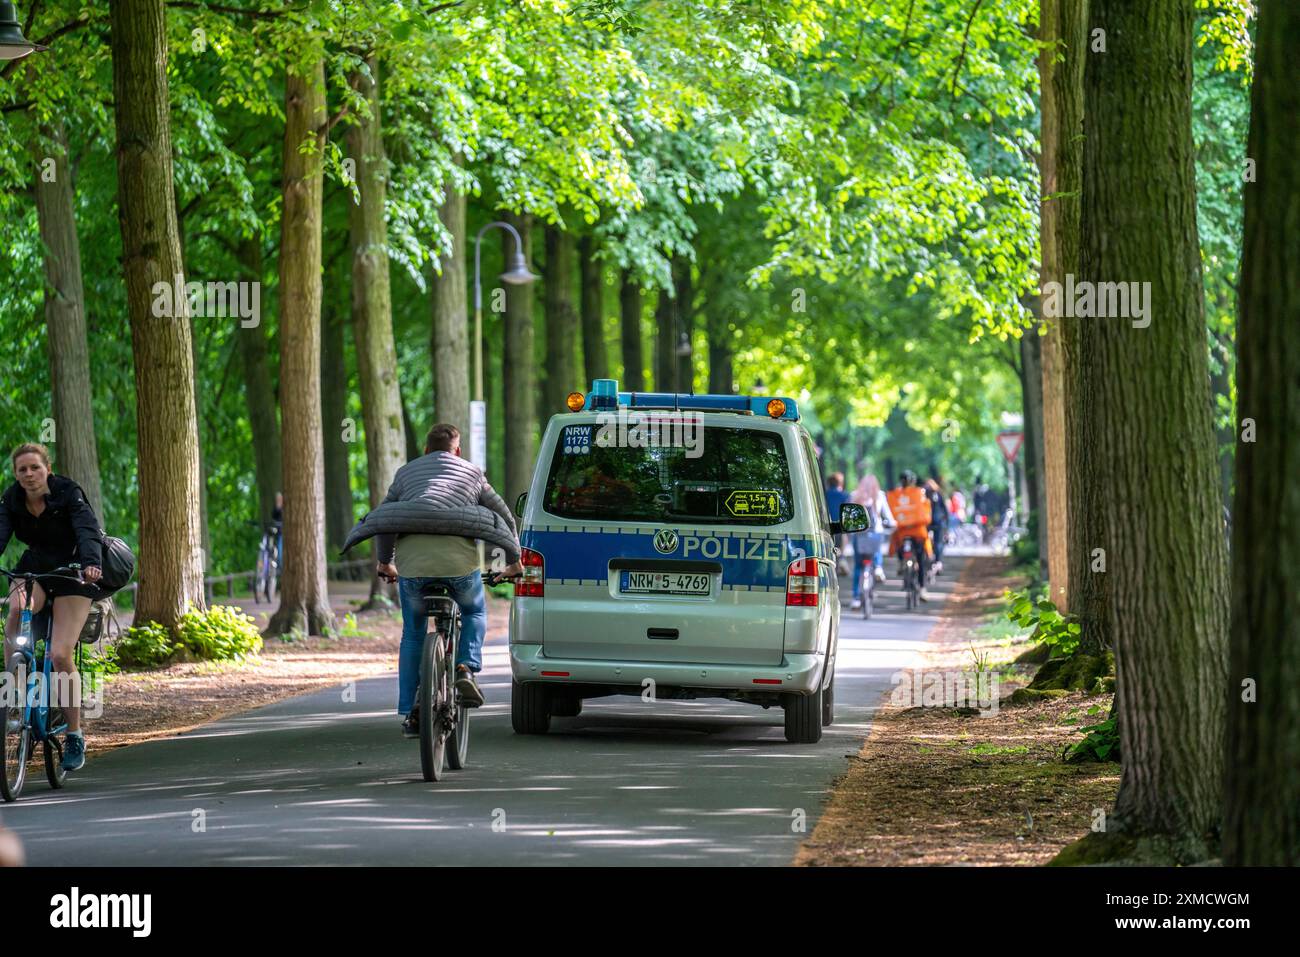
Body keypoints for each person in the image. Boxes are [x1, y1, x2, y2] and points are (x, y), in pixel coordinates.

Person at [364, 424, 522, 738]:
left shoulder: (406, 473)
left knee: (413, 634)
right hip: (458, 565)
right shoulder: (473, 473)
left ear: (426, 450)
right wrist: (514, 561)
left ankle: (411, 711)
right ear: (457, 451)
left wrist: (385, 562)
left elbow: (384, 519)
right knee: (475, 611)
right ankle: (465, 667)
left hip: (413, 568)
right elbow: (504, 515)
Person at [0, 443, 108, 772]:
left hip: (73, 572)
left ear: (48, 468)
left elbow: (87, 531)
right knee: (16, 611)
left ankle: (75, 734)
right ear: (16, 475)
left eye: (35, 467)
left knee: (61, 655)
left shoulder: (68, 493)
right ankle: (15, 695)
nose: (29, 474)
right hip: (34, 568)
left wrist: (91, 563)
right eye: (22, 470)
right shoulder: (12, 499)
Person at [885, 469, 933, 601]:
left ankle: (902, 562)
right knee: (921, 558)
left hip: (901, 531)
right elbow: (926, 510)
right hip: (917, 531)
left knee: (898, 543)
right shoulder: (919, 493)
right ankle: (923, 588)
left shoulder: (894, 494)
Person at [849, 472, 892, 610]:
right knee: (877, 545)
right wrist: (892, 523)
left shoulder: (854, 495)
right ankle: (878, 567)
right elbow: (888, 515)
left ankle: (856, 598)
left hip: (858, 534)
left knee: (858, 566)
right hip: (875, 533)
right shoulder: (879, 495)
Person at [824, 473, 851, 574]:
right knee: (843, 540)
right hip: (840, 527)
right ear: (840, 483)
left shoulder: (824, 495)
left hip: (826, 526)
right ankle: (842, 559)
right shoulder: (845, 495)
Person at [924, 477, 948, 575]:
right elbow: (944, 509)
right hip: (938, 521)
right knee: (938, 543)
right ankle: (938, 562)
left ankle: (927, 558)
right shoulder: (939, 494)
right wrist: (946, 522)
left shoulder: (924, 494)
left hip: (927, 522)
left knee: (925, 540)